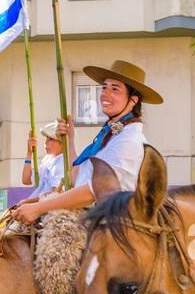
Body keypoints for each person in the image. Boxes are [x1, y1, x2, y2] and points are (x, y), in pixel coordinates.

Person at [10, 60, 162, 225]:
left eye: (115, 89)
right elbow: (76, 179)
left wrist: (39, 208)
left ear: (133, 100)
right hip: (93, 218)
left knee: (52, 243)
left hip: (112, 227)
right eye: (104, 87)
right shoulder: (110, 136)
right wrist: (69, 141)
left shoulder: (129, 140)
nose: (105, 93)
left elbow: (92, 192)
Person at [21, 122, 65, 198]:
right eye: (46, 138)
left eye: (51, 139)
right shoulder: (47, 160)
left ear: (62, 143)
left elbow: (56, 195)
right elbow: (26, 180)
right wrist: (29, 153)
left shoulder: (62, 163)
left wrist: (27, 202)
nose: (45, 142)